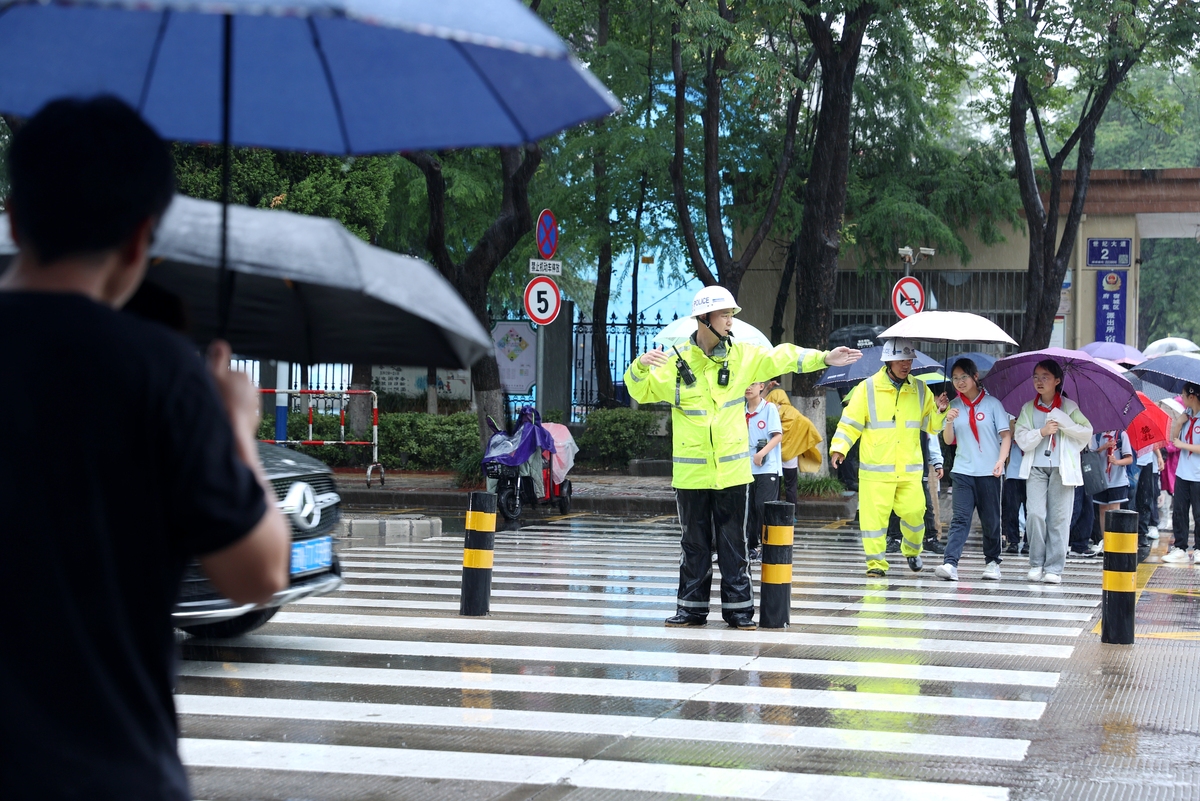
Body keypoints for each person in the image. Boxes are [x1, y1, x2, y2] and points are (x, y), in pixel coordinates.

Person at [0, 97, 291, 800]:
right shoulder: (160, 371)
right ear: (139, 240)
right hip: (112, 771)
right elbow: (259, 571)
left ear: (13, 215)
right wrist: (236, 431)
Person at [625, 286, 860, 629]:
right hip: (692, 477)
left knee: (735, 545)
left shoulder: (744, 357)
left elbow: (783, 356)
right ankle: (691, 609)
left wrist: (824, 357)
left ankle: (738, 611)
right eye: (724, 316)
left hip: (735, 473)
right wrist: (640, 366)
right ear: (704, 319)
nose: (730, 323)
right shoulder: (676, 362)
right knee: (694, 544)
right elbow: (639, 390)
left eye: (731, 316)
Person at [830, 338, 949, 577]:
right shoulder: (868, 388)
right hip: (876, 469)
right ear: (888, 361)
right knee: (874, 522)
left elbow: (931, 427)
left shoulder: (920, 390)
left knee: (916, 515)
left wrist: (940, 411)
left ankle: (912, 549)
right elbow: (851, 421)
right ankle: (876, 564)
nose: (906, 365)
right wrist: (840, 447)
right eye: (900, 360)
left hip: (908, 470)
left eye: (908, 359)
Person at [1013, 359, 1093, 584]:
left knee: (1059, 519)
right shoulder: (1028, 408)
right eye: (1036, 376)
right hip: (1036, 468)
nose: (1039, 381)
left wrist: (1064, 422)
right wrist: (1042, 431)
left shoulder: (1069, 407)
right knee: (1036, 514)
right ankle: (1036, 563)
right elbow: (1021, 438)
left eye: (1045, 377)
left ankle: (1054, 568)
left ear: (1057, 381)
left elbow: (1086, 433)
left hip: (1062, 469)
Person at [935, 358, 1013, 581]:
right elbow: (949, 440)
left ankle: (992, 562)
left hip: (990, 472)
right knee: (960, 518)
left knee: (990, 519)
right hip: (963, 471)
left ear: (975, 377)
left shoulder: (993, 404)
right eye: (955, 378)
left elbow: (1006, 436)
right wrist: (947, 419)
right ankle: (950, 563)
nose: (959, 382)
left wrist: (1001, 460)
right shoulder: (954, 406)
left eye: (963, 377)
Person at [886, 432, 944, 555]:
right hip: (898, 463)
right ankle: (896, 538)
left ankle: (930, 538)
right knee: (895, 503)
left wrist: (937, 461)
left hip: (920, 465)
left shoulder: (923, 415)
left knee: (927, 504)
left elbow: (931, 436)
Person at [744, 381, 782, 561]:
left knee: (762, 507)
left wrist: (761, 454)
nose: (748, 388)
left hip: (767, 468)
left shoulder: (769, 409)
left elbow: (778, 436)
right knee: (748, 509)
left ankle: (767, 547)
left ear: (761, 387)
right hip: (744, 469)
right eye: (745, 384)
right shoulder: (739, 410)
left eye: (752, 384)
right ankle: (751, 547)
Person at [766, 384, 821, 507]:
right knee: (791, 485)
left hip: (773, 454)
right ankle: (792, 514)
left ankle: (774, 511)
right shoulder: (793, 412)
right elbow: (806, 423)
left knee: (774, 485)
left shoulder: (769, 411)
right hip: (790, 456)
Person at [1164, 383, 1200, 563]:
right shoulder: (1186, 416)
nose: (1182, 397)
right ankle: (1180, 547)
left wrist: (1183, 446)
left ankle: (1199, 548)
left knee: (1199, 512)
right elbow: (1174, 439)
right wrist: (1179, 422)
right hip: (1183, 472)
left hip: (1198, 474)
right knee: (1179, 511)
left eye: (1184, 395)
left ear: (1192, 396)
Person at [1088, 429, 1133, 555]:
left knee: (1114, 510)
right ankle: (1105, 541)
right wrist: (1104, 447)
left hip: (1117, 479)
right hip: (1101, 479)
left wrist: (1116, 462)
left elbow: (1129, 459)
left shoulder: (1121, 435)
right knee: (1102, 510)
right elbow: (1091, 455)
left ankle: (1114, 541)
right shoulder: (1096, 436)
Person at [1002, 419, 1027, 553]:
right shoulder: (1010, 422)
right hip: (1013, 472)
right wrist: (1013, 429)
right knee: (1012, 509)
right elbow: (1004, 441)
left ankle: (1029, 541)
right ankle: (1013, 541)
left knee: (1031, 511)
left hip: (1030, 472)